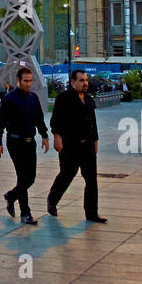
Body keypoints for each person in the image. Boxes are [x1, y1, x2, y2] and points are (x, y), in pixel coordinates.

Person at [46, 69, 105, 223]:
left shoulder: (89, 99)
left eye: (86, 80)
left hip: (88, 146)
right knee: (66, 175)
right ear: (73, 82)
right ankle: (52, 200)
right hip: (70, 146)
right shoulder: (64, 98)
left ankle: (92, 213)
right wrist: (57, 137)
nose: (85, 83)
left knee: (91, 179)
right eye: (81, 80)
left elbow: (93, 122)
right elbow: (55, 120)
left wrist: (95, 141)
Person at [0, 66, 48, 226]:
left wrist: (44, 135)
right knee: (23, 177)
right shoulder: (10, 99)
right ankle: (26, 213)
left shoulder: (33, 97)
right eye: (25, 81)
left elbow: (39, 118)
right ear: (18, 81)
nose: (29, 84)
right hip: (15, 142)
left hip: (31, 142)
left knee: (30, 178)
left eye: (31, 81)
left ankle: (11, 196)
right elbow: (0, 122)